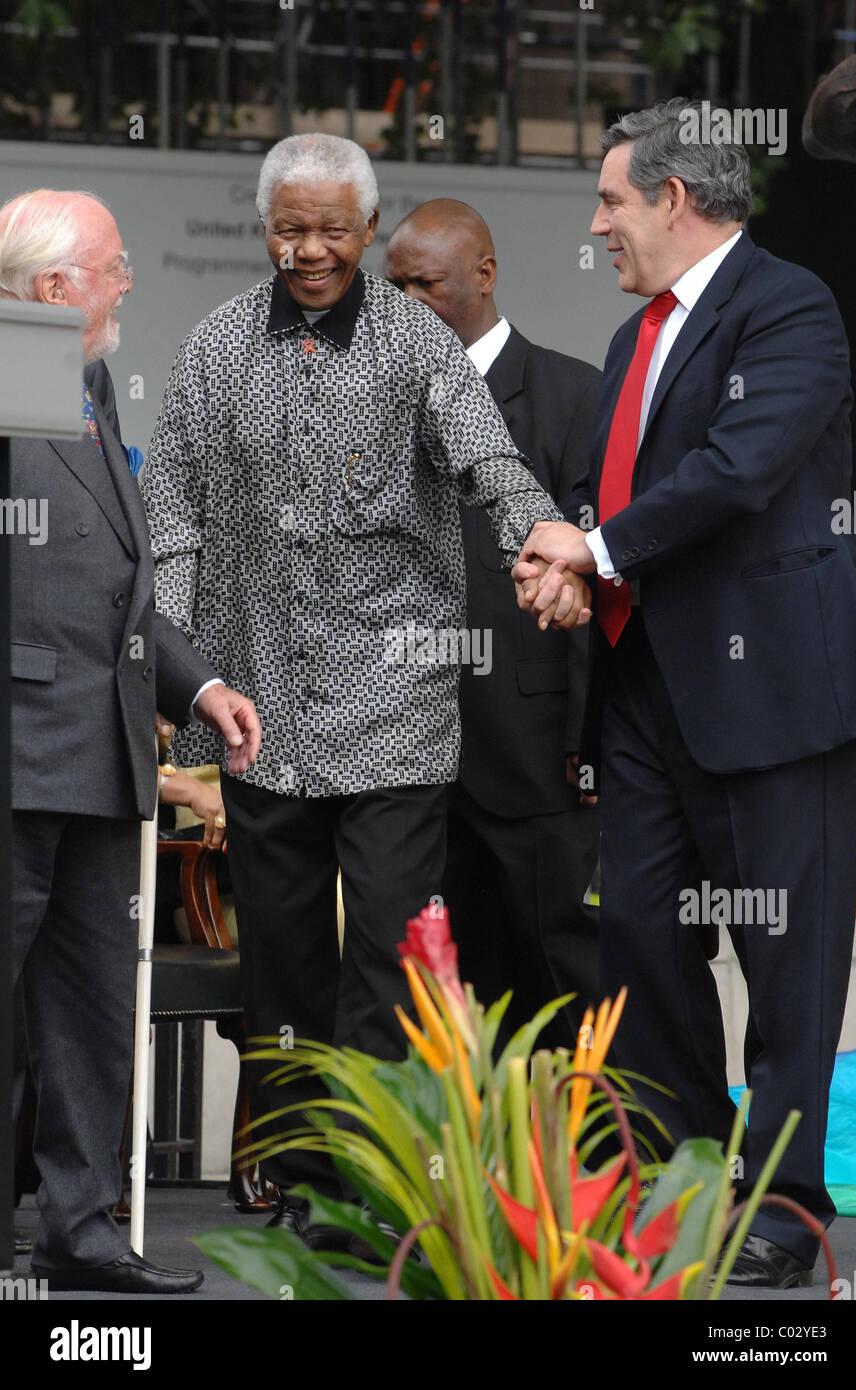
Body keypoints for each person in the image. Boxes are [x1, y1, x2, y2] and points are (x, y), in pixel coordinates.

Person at [138, 134, 577, 1249]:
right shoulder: (215, 346)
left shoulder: (416, 342)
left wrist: (537, 542)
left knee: (387, 945)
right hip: (260, 708)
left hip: (394, 700)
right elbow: (177, 507)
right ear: (265, 224)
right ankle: (298, 1171)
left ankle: (380, 1179)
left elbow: (489, 459)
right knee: (283, 956)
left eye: (333, 228)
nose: (310, 248)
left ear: (368, 231)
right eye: (291, 225)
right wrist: (180, 663)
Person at [515, 99, 856, 1288]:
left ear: (674, 198)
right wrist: (570, 557)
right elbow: (611, 480)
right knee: (643, 950)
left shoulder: (790, 307)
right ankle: (680, 1179)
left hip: (771, 696)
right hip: (641, 698)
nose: (596, 222)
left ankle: (781, 1208)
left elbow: (738, 471)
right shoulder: (633, 341)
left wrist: (595, 549)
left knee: (787, 966)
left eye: (610, 199)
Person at [2, 189, 261, 1294]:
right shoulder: (15, 373)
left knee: (94, 1012)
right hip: (17, 756)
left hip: (104, 759)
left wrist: (200, 685)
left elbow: (117, 581)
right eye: (112, 266)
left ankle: (83, 1228)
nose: (126, 282)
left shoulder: (89, 381)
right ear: (56, 287)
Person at [384, 199, 601, 1044]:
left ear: (484, 274)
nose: (403, 303)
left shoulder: (573, 395)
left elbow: (589, 581)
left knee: (560, 976)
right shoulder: (370, 400)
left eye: (424, 284)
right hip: (408, 761)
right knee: (435, 1000)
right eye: (391, 284)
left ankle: (577, 1172)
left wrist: (588, 739)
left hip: (536, 758)